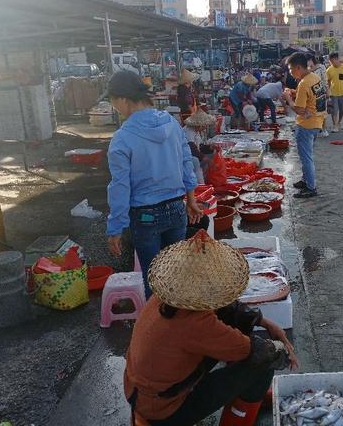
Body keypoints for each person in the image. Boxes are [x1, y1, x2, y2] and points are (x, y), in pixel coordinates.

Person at [124, 231, 298, 426]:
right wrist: (281, 351)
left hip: (141, 394)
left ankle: (248, 394)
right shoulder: (196, 324)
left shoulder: (164, 298)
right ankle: (240, 413)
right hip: (164, 411)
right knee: (265, 362)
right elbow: (250, 349)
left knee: (237, 326)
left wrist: (265, 322)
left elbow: (229, 312)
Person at [106, 70, 203, 299]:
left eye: (112, 100)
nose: (114, 106)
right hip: (176, 209)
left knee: (156, 283)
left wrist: (115, 228)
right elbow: (185, 163)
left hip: (146, 217)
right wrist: (191, 200)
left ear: (122, 99)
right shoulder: (170, 122)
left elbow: (120, 187)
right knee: (176, 275)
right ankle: (180, 322)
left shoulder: (122, 138)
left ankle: (160, 329)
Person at [282, 52, 327, 199]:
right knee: (307, 155)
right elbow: (312, 97)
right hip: (317, 122)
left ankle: (311, 187)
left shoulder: (303, 83)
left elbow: (299, 109)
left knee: (306, 157)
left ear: (299, 67)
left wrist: (288, 98)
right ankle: (306, 179)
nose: (290, 73)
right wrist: (295, 92)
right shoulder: (314, 77)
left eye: (291, 70)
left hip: (306, 125)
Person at [183, 110, 216, 185]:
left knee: (212, 154)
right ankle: (200, 184)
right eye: (204, 126)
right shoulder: (189, 131)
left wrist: (210, 148)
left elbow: (200, 146)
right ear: (199, 125)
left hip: (192, 152)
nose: (205, 128)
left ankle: (206, 176)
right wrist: (204, 158)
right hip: (185, 155)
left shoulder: (196, 131)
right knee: (196, 161)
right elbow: (191, 148)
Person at [326, 52, 343, 132]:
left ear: (337, 59)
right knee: (334, 110)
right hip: (333, 94)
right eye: (330, 61)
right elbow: (328, 82)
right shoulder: (329, 70)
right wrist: (327, 92)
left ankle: (339, 121)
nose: (331, 63)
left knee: (342, 109)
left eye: (332, 61)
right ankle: (335, 125)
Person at [307, 55, 329, 138]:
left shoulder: (321, 67)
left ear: (312, 60)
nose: (307, 62)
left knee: (322, 111)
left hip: (320, 93)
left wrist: (327, 91)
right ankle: (314, 128)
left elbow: (325, 80)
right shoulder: (307, 69)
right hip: (310, 94)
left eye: (308, 60)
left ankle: (324, 129)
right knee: (313, 111)